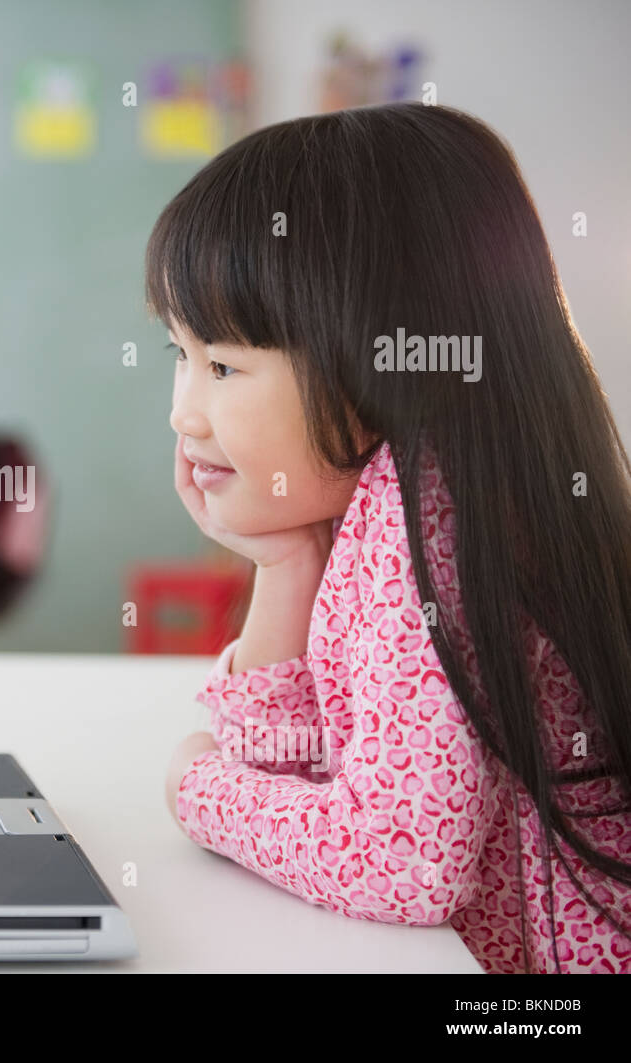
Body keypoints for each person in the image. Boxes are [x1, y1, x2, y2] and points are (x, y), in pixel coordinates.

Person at [152, 102, 631, 974]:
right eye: (177, 355)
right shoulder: (401, 495)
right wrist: (286, 561)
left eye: (222, 365)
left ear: (372, 360)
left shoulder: (427, 521)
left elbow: (404, 859)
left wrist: (198, 792)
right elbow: (300, 777)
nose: (184, 409)